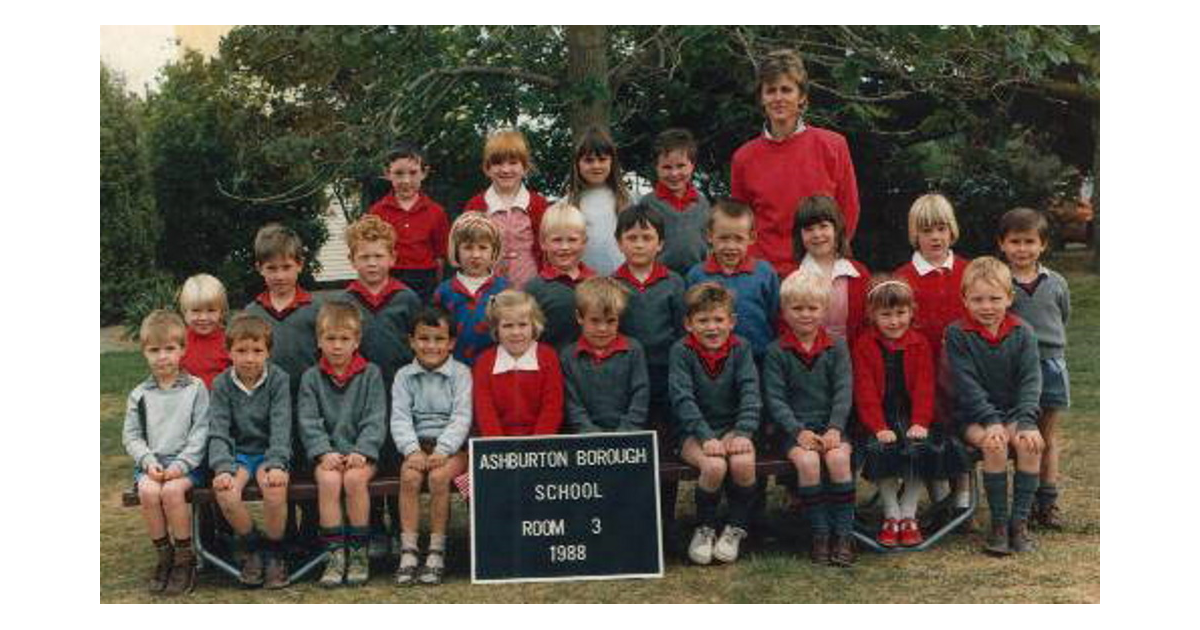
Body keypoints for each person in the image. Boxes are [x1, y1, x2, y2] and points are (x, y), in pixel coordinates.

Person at [730, 48, 860, 278]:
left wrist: (828, 261)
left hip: (822, 272)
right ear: (762, 97)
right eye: (771, 91)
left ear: (802, 97)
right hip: (766, 276)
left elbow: (848, 210)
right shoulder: (743, 158)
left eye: (786, 90)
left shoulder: (833, 146)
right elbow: (741, 223)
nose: (778, 98)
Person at [945, 257, 1044, 555]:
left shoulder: (1023, 332)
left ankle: (1019, 523)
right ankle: (999, 525)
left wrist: (1026, 421)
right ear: (964, 299)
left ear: (1009, 298)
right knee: (994, 444)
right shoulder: (957, 333)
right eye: (977, 299)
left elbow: (1031, 381)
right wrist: (990, 421)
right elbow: (966, 385)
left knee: (1028, 443)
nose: (986, 306)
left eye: (995, 298)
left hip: (1013, 412)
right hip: (973, 416)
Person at [762, 270, 855, 566]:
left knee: (838, 459)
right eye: (797, 308)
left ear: (825, 310)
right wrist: (797, 431)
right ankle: (819, 534)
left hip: (831, 427)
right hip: (794, 430)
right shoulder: (776, 351)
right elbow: (775, 399)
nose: (805, 315)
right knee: (808, 461)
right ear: (784, 311)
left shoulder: (836, 347)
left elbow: (843, 392)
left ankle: (843, 534)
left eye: (812, 308)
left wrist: (834, 429)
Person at [611, 203, 687, 552]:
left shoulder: (673, 283)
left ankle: (667, 520)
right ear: (619, 242)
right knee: (634, 447)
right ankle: (633, 519)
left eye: (647, 237)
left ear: (660, 243)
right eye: (631, 237)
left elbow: (682, 333)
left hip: (666, 378)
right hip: (628, 381)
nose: (639, 244)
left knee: (666, 449)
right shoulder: (612, 284)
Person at [893, 193, 972, 527]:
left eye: (941, 228)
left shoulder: (970, 272)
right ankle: (940, 499)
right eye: (927, 230)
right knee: (928, 431)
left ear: (951, 230)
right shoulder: (904, 277)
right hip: (919, 377)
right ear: (915, 235)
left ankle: (964, 500)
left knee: (961, 433)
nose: (935, 237)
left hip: (963, 374)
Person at [669, 283, 761, 565]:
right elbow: (682, 399)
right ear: (688, 323)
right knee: (714, 466)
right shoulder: (681, 351)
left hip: (734, 426)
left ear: (731, 322)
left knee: (743, 464)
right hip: (694, 431)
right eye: (703, 320)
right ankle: (705, 528)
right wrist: (706, 436)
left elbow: (750, 392)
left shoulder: (741, 348)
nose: (712, 327)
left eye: (719, 319)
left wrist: (742, 431)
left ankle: (735, 528)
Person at [297, 302, 388, 586]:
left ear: (357, 341)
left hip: (363, 455)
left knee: (354, 481)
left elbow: (376, 418)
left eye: (344, 339)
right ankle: (334, 555)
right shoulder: (311, 377)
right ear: (319, 340)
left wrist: (363, 450)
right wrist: (324, 452)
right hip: (328, 456)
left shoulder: (370, 373)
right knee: (329, 482)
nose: (337, 346)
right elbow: (309, 421)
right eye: (330, 339)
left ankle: (359, 552)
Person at [122, 310, 210, 595]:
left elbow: (201, 432)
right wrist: (147, 462)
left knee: (172, 493)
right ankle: (165, 556)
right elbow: (131, 436)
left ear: (183, 349)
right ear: (144, 352)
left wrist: (183, 464)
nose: (162, 357)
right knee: (148, 492)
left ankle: (185, 559)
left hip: (187, 464)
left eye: (169, 349)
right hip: (153, 464)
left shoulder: (196, 389)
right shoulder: (140, 394)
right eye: (154, 350)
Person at [207, 313, 293, 589]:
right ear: (229, 352)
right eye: (241, 351)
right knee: (226, 492)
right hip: (239, 455)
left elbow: (282, 427)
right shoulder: (221, 385)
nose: (249, 358)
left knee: (275, 488)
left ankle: (276, 553)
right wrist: (222, 467)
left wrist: (278, 462)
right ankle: (253, 547)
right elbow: (218, 430)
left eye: (257, 350)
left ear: (268, 352)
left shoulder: (278, 380)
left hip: (270, 453)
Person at [998, 208, 1071, 530]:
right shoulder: (1000, 283)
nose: (1022, 249)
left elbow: (1062, 316)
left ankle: (1048, 501)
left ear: (1042, 245)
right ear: (1002, 244)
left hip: (1051, 364)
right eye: (1015, 241)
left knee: (1048, 436)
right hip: (1015, 367)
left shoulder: (1056, 283)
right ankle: (1023, 503)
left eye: (1030, 241)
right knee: (1022, 437)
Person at [852, 277, 937, 549]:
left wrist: (921, 421)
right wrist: (877, 426)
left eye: (900, 313)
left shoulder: (920, 343)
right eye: (885, 314)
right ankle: (892, 513)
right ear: (872, 315)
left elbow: (925, 386)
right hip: (877, 414)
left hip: (912, 412)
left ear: (911, 311)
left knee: (919, 446)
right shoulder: (864, 345)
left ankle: (909, 511)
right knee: (881, 448)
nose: (894, 321)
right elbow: (864, 391)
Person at [390, 306, 472, 586]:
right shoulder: (403, 376)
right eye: (424, 339)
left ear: (451, 343)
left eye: (439, 339)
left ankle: (437, 549)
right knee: (409, 477)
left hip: (451, 449)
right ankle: (409, 549)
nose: (431, 346)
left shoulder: (461, 374)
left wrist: (443, 450)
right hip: (416, 446)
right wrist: (411, 450)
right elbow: (400, 417)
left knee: (438, 478)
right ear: (412, 341)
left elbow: (462, 417)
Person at [685, 198, 780, 361]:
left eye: (738, 239)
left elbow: (776, 316)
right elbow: (689, 319)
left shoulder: (764, 272)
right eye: (723, 238)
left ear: (751, 238)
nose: (730, 246)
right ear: (709, 236)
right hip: (709, 360)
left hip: (758, 357)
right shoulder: (697, 275)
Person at [462, 129, 550, 290]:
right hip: (488, 289)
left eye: (513, 163)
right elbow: (465, 249)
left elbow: (549, 248)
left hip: (532, 287)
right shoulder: (475, 206)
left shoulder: (539, 204)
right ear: (487, 168)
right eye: (498, 163)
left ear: (525, 167)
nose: (505, 170)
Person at [559, 277, 650, 434]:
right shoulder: (568, 356)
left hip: (629, 435)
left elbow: (640, 395)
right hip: (585, 439)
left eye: (610, 321)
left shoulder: (633, 350)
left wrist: (626, 431)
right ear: (579, 317)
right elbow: (572, 403)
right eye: (595, 321)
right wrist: (590, 433)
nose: (602, 328)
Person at [242, 223, 321, 398]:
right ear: (259, 268)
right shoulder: (251, 314)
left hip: (308, 401)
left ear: (300, 265)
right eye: (272, 268)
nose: (280, 276)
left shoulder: (317, 310)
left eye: (286, 267)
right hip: (265, 403)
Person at [472, 289, 564, 437]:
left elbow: (552, 408)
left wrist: (537, 444)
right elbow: (485, 412)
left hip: (541, 443)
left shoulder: (548, 357)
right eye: (507, 326)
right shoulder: (485, 362)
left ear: (534, 325)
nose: (516, 332)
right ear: (496, 329)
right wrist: (499, 446)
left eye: (522, 325)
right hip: (497, 445)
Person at [367, 142, 450, 302]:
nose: (406, 180)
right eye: (399, 173)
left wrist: (436, 290)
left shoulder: (436, 212)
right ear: (387, 173)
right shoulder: (377, 212)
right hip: (389, 279)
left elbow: (440, 257)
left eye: (413, 173)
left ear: (424, 173)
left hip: (425, 281)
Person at [432, 212, 509, 366]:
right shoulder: (444, 291)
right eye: (468, 247)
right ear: (456, 251)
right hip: (453, 370)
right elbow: (435, 334)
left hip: (494, 370)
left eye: (483, 248)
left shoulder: (505, 290)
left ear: (494, 252)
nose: (475, 255)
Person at [793, 196, 870, 346]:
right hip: (808, 359)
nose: (817, 234)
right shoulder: (793, 277)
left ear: (837, 229)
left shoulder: (858, 273)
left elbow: (868, 324)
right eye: (809, 229)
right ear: (800, 235)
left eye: (823, 226)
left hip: (853, 357)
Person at [524, 202, 596, 351]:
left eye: (572, 240)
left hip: (591, 369)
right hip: (550, 367)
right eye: (557, 240)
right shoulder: (533, 290)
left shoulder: (598, 283)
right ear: (543, 243)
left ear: (584, 242)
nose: (565, 247)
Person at [637, 128, 711, 275]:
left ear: (692, 165)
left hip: (697, 279)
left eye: (681, 166)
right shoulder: (647, 205)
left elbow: (708, 244)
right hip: (659, 280)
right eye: (666, 167)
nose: (674, 173)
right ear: (656, 168)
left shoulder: (702, 204)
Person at [566, 126, 630, 276]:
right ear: (577, 164)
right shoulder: (566, 205)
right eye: (589, 160)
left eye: (602, 159)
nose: (596, 166)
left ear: (612, 162)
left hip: (623, 283)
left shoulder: (629, 200)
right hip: (583, 286)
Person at [178, 273, 231, 389]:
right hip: (187, 403)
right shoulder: (178, 340)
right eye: (196, 311)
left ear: (221, 312)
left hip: (220, 403)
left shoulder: (230, 341)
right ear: (185, 311)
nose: (203, 317)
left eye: (211, 311)